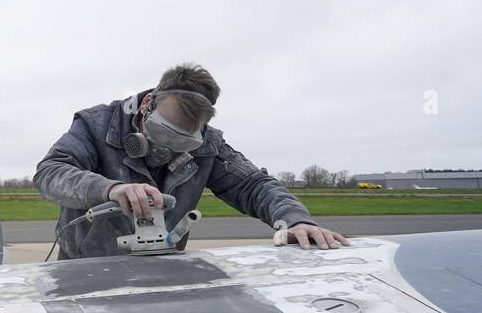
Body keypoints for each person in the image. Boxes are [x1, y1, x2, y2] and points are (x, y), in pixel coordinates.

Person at [34, 63, 350, 260]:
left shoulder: (208, 145)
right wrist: (110, 189)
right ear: (147, 105)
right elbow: (50, 172)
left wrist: (295, 220)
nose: (167, 148)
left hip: (164, 266)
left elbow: (253, 185)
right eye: (162, 132)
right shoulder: (97, 125)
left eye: (182, 142)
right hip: (85, 267)